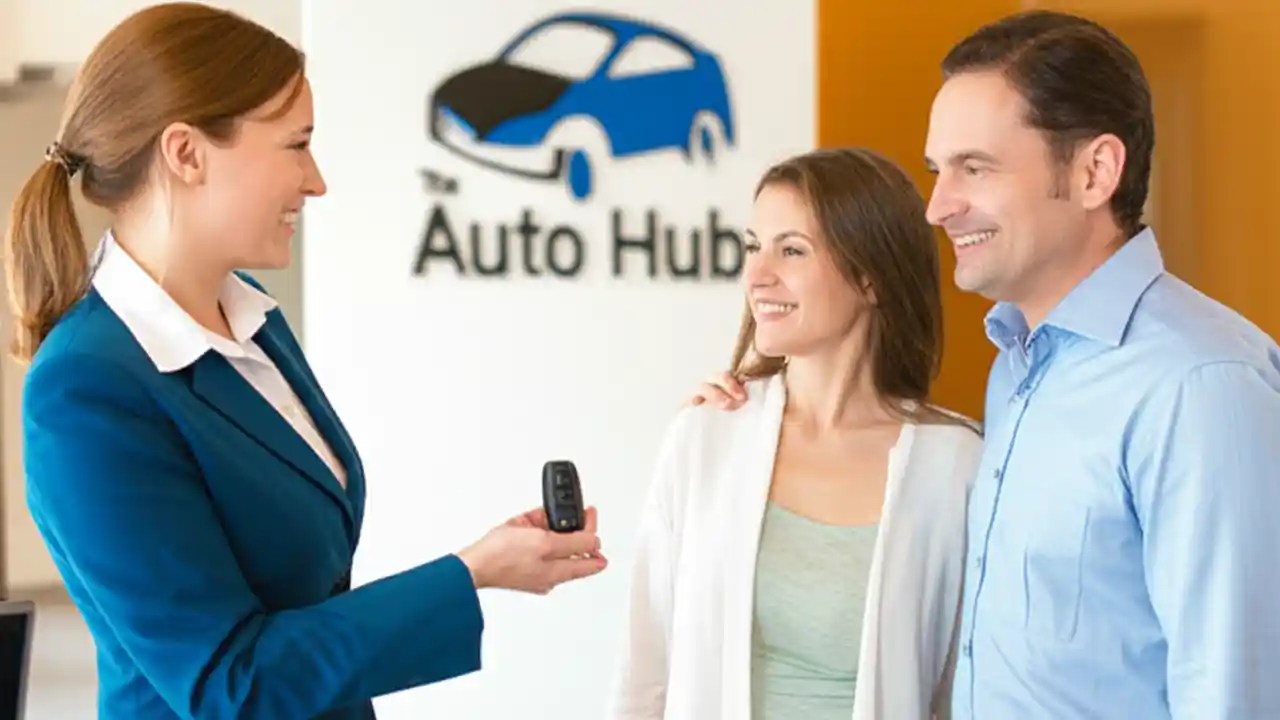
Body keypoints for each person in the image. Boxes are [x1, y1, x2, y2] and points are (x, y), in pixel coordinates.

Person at [4, 5, 606, 719]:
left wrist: (479, 567)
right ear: (186, 152)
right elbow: (230, 682)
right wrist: (469, 575)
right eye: (296, 145)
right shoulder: (86, 391)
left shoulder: (249, 315)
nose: (315, 180)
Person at [688, 10, 1280, 720]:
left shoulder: (1201, 384)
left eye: (976, 168)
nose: (938, 208)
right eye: (940, 171)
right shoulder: (1021, 367)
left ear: (1095, 171)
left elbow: (1234, 693)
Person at [609, 148, 983, 720]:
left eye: (792, 250)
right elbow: (646, 670)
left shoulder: (956, 462)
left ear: (870, 277)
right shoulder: (708, 435)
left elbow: (970, 689)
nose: (757, 275)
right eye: (754, 246)